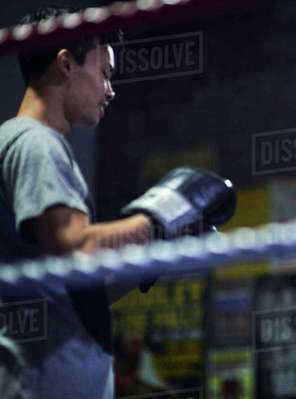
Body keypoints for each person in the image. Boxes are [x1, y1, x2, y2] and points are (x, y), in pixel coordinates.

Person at [0, 6, 235, 398]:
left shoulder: (33, 145)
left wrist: (156, 249)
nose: (110, 90)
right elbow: (75, 244)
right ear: (66, 64)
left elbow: (80, 293)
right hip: (39, 384)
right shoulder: (35, 143)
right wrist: (162, 214)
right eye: (105, 73)